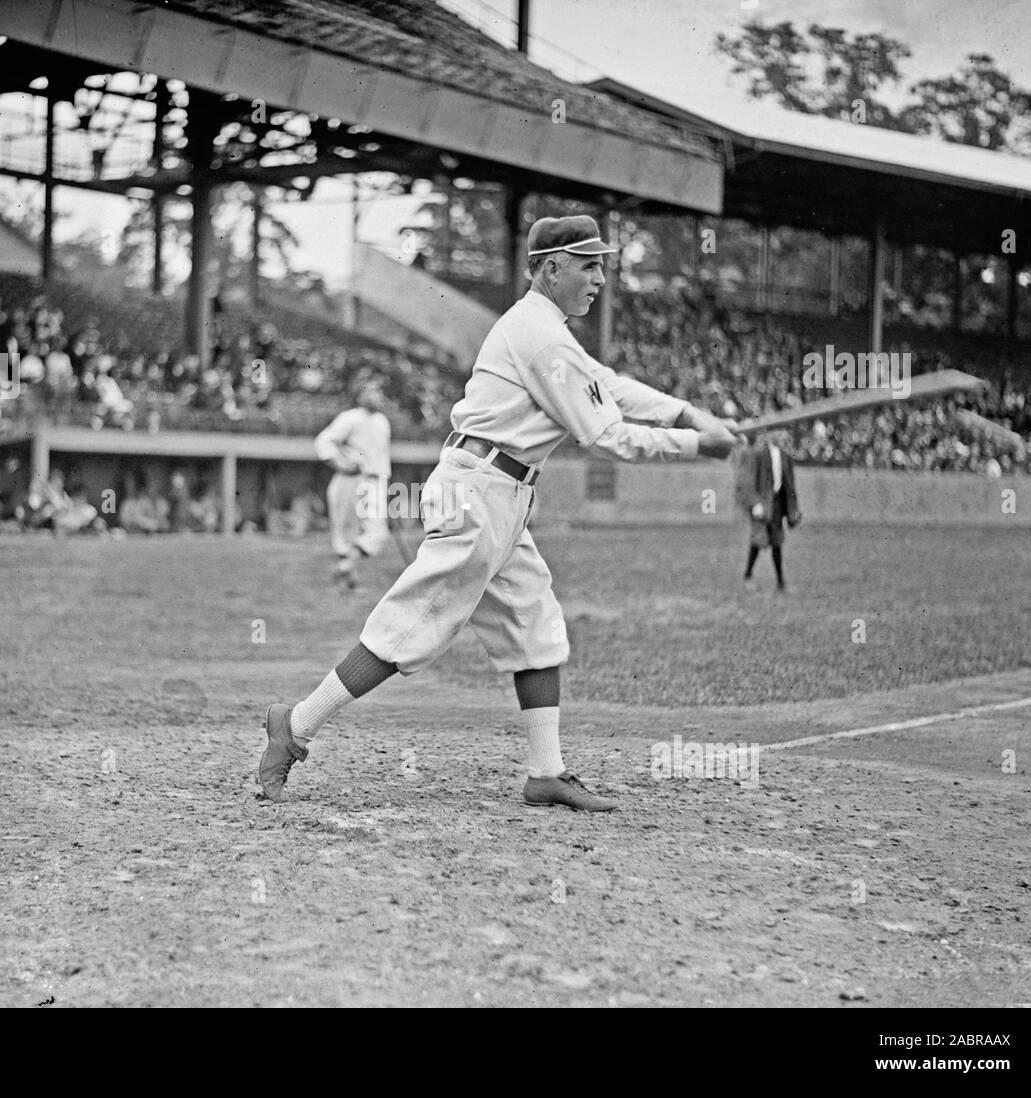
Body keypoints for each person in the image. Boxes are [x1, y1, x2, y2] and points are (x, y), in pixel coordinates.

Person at [257, 215, 739, 812]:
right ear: (551, 267)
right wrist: (700, 446)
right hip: (479, 491)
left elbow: (606, 384)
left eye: (602, 265)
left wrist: (689, 415)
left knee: (537, 628)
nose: (600, 278)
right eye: (588, 265)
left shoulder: (551, 332)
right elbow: (606, 434)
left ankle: (545, 772)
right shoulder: (538, 334)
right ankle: (295, 725)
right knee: (412, 627)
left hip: (504, 494)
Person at [314, 380, 392, 588]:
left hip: (374, 480)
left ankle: (345, 567)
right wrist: (341, 463)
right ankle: (348, 583)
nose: (378, 397)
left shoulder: (382, 421)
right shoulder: (350, 418)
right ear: (360, 395)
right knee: (346, 531)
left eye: (380, 392)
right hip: (350, 479)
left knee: (377, 531)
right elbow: (324, 441)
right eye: (373, 392)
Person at [735, 429, 801, 593]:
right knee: (758, 540)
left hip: (777, 505)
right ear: (771, 434)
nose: (782, 436)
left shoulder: (785, 456)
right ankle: (748, 576)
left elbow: (790, 485)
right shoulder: (757, 454)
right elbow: (747, 481)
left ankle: (780, 582)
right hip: (762, 505)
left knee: (777, 542)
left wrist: (793, 509)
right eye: (779, 432)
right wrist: (755, 503)